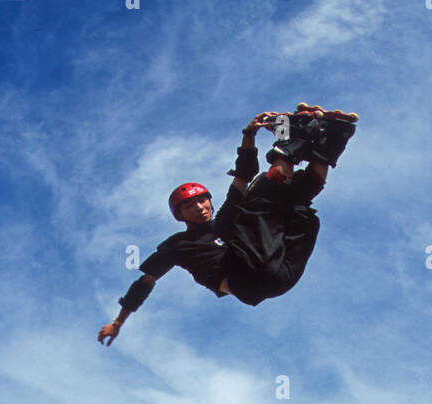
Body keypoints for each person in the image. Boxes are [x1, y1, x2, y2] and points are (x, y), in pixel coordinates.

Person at [98, 105, 357, 340]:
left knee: (295, 201)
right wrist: (118, 322)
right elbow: (146, 281)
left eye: (202, 202)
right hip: (247, 278)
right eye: (190, 206)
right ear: (180, 215)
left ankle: (329, 142)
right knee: (259, 198)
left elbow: (242, 174)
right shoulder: (177, 245)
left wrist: (249, 133)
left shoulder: (226, 220)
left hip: (283, 273)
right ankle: (289, 142)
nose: (200, 208)